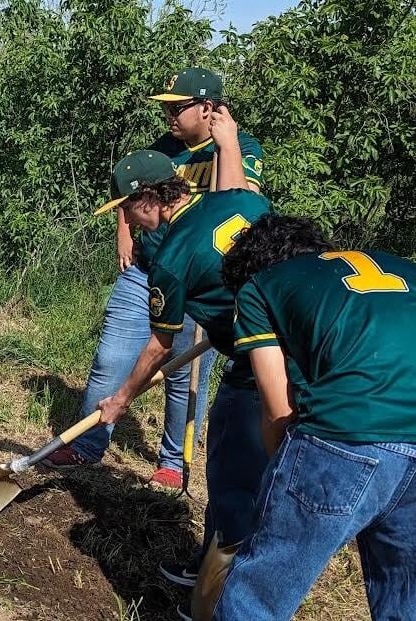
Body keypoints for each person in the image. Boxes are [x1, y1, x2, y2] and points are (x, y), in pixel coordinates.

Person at [45, 67, 264, 495]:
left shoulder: (239, 148)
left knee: (183, 375)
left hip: (199, 284)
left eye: (176, 107)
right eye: (166, 107)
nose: (169, 116)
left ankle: (173, 462)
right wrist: (126, 233)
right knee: (111, 357)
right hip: (149, 269)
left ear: (208, 107)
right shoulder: (165, 150)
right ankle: (86, 444)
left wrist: (228, 146)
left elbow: (238, 210)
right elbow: (130, 195)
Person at [91, 149, 269, 621]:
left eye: (127, 208)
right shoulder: (238, 199)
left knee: (232, 468)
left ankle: (223, 600)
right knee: (254, 472)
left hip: (258, 364)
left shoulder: (170, 258)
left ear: (149, 197)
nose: (127, 219)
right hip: (301, 346)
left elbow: (158, 348)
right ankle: (210, 570)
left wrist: (123, 398)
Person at [212, 214, 416, 620]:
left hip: (346, 432)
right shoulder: (402, 268)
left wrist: (281, 486)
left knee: (258, 597)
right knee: (405, 596)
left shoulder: (261, 287)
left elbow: (278, 407)